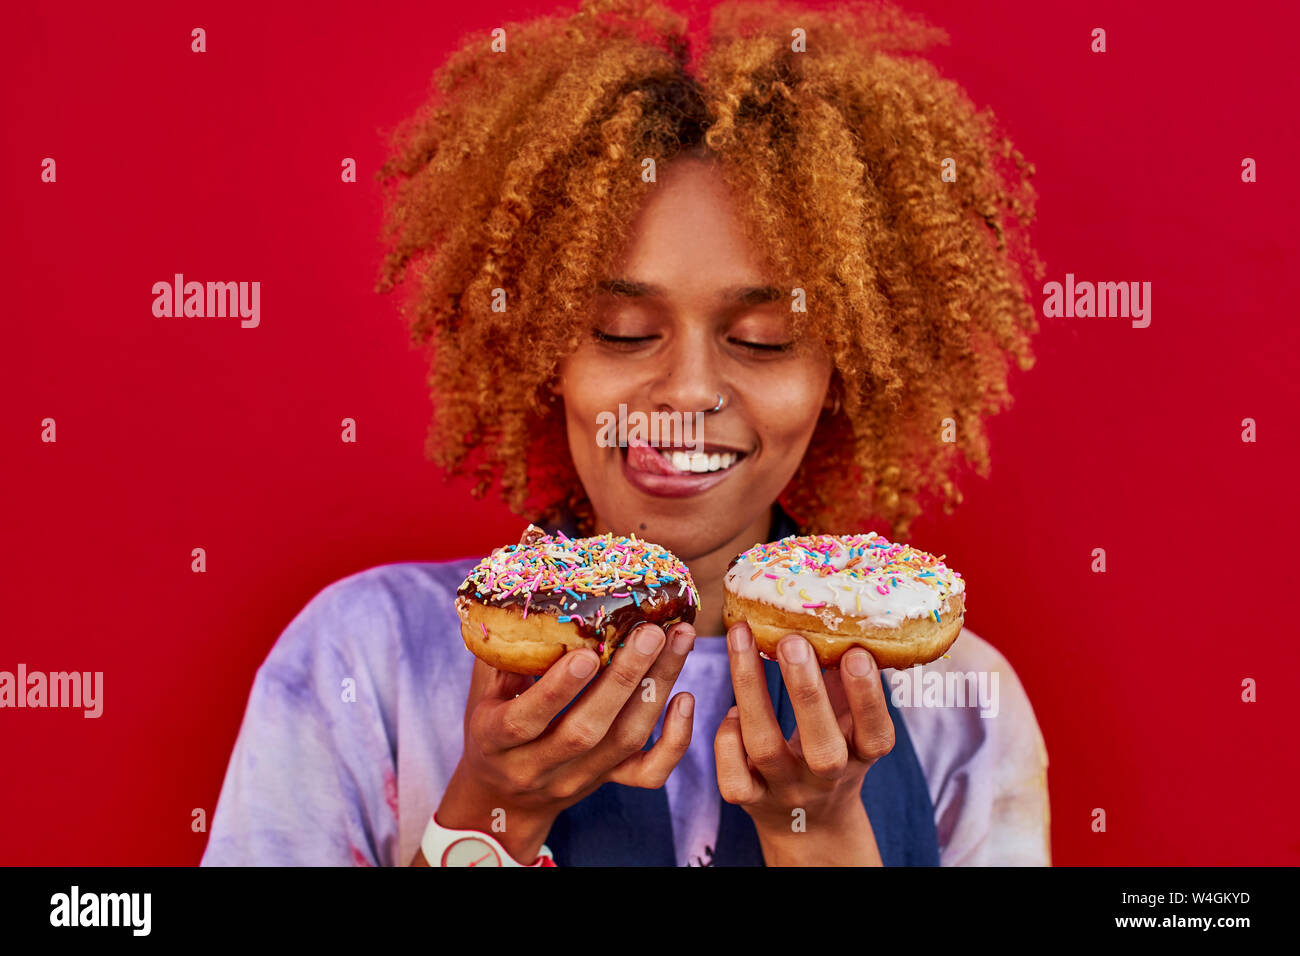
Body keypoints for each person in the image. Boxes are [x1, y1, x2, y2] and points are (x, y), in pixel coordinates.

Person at [202, 0, 1050, 867]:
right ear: (542, 353)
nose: (687, 389)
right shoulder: (365, 656)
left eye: (762, 341)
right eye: (619, 330)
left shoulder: (959, 704)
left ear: (841, 377)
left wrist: (823, 833)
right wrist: (494, 810)